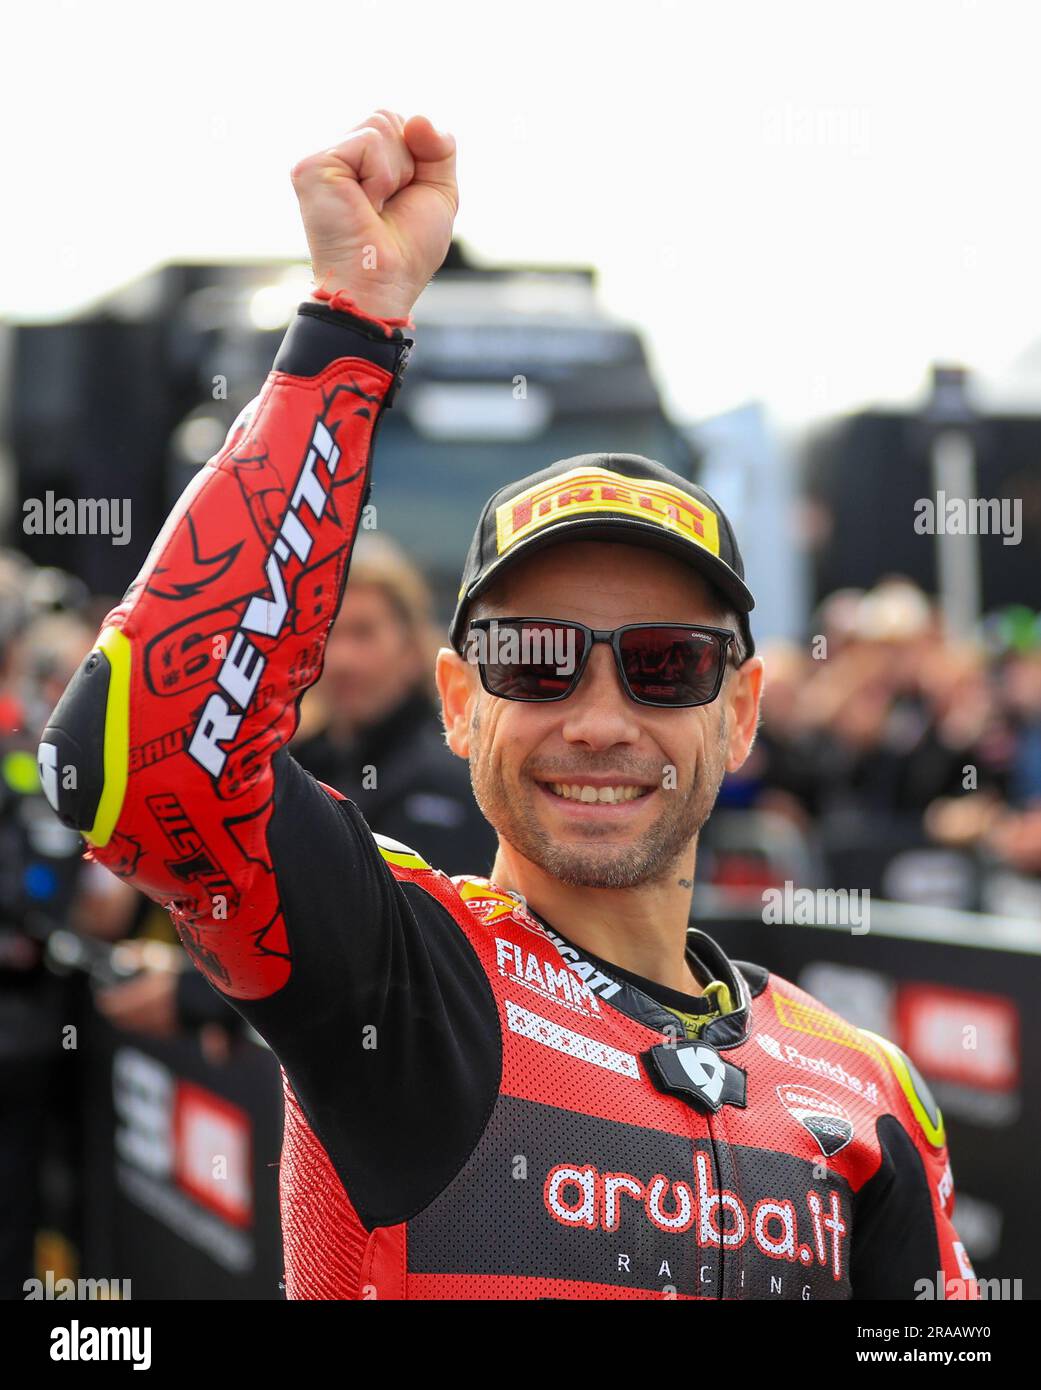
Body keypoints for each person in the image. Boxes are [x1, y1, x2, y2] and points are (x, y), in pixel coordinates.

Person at [39, 110, 976, 1300]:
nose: (598, 716)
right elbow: (138, 763)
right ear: (457, 703)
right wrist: (352, 325)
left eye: (666, 664)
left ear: (739, 714)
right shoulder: (404, 983)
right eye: (536, 659)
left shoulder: (871, 1091)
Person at [291, 534, 496, 875]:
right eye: (328, 633)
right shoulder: (292, 768)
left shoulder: (453, 775)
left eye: (363, 633)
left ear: (411, 647)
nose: (342, 659)